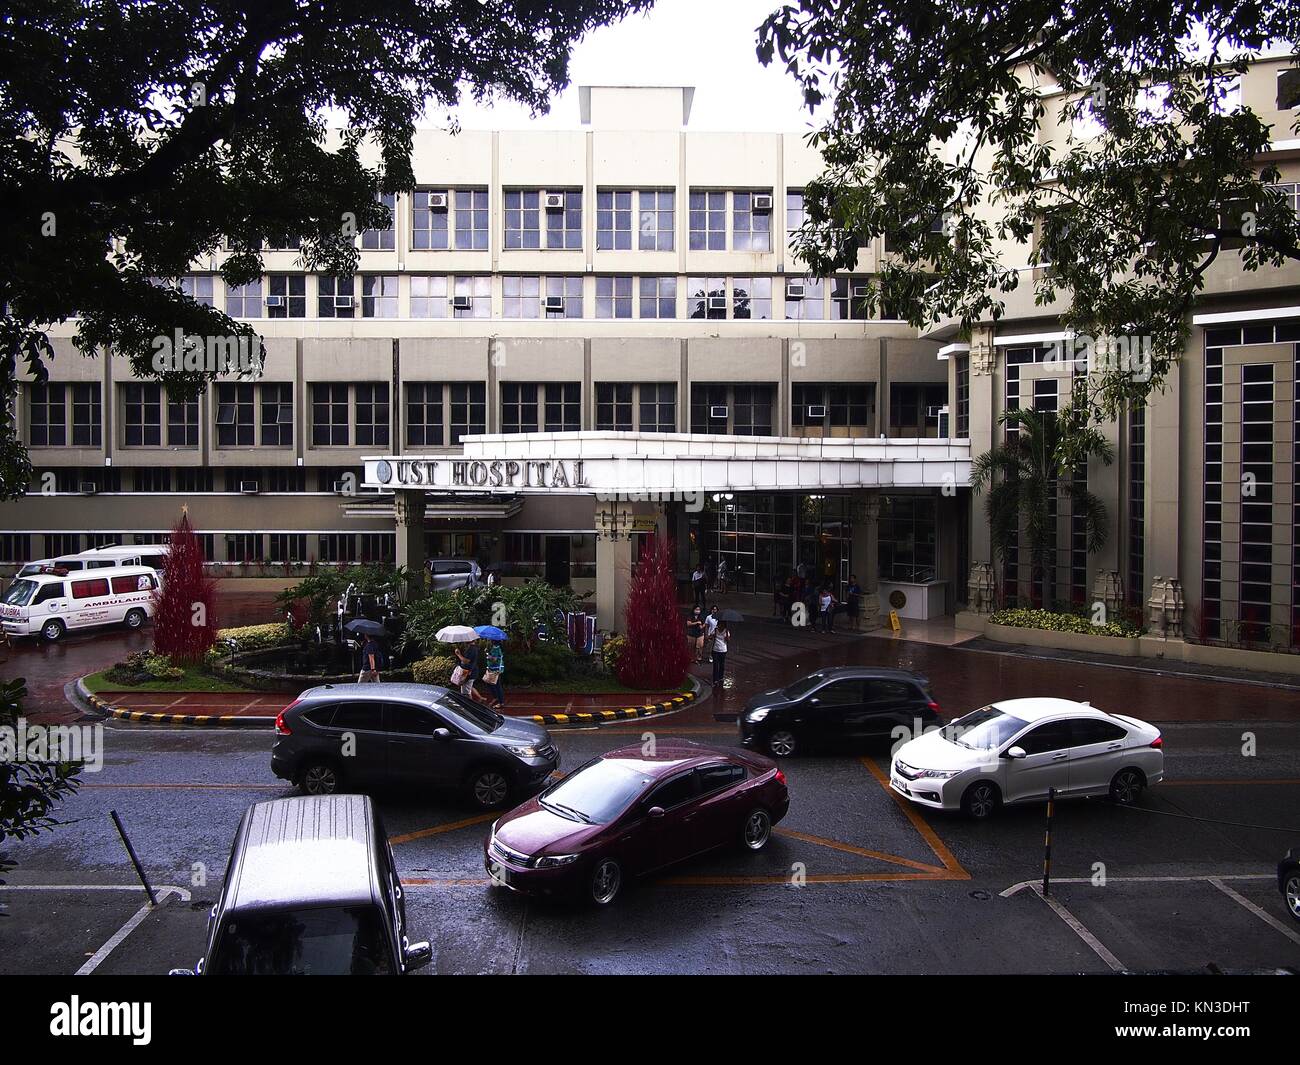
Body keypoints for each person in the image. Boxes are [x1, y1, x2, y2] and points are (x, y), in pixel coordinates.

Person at [483, 640, 506, 709]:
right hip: (494, 669)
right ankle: (496, 698)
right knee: (491, 683)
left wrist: (487, 655)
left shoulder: (496, 649)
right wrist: (487, 652)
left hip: (495, 670)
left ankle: (500, 702)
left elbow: (494, 659)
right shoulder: (496, 648)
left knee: (496, 686)